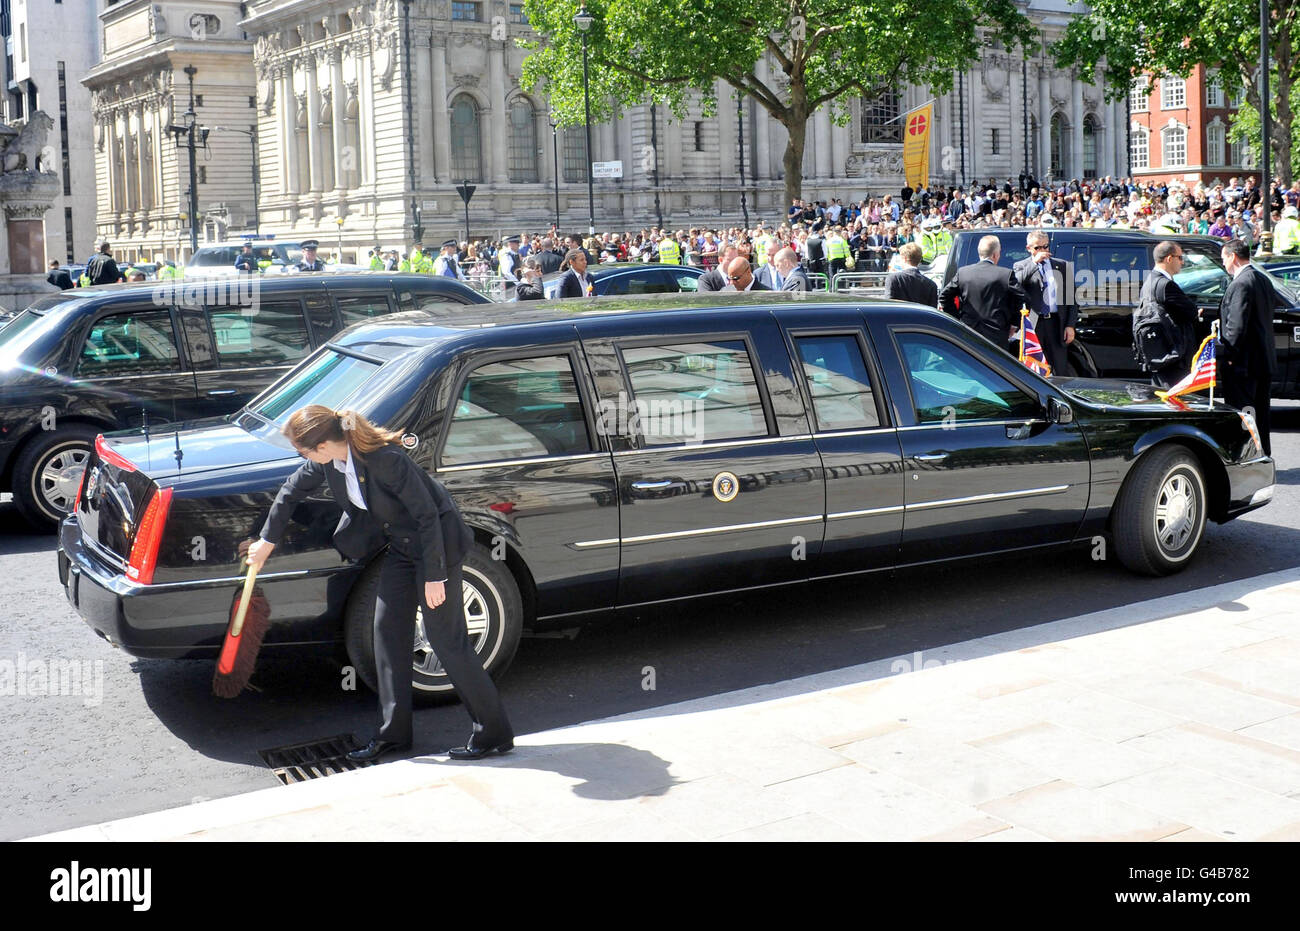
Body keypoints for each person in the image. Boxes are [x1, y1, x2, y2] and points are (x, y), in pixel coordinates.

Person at [246, 406, 514, 762]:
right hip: (402, 546)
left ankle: (493, 732)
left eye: (304, 450)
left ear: (323, 444)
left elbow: (427, 516)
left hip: (436, 547)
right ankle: (395, 735)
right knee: (386, 632)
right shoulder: (330, 462)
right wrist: (267, 541)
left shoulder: (386, 460)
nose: (302, 457)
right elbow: (290, 492)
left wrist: (435, 576)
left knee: (446, 640)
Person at [1218, 238, 1276, 454]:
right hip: (1262, 360)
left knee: (1244, 413)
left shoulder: (1241, 283)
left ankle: (1248, 456)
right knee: (1261, 412)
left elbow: (1237, 325)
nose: (1223, 263)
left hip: (1244, 364)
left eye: (1224, 258)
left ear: (1233, 256)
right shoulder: (1262, 279)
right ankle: (1262, 454)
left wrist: (1229, 355)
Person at [939, 235, 1024, 351]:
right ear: (995, 255)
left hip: (968, 331)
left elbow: (944, 296)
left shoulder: (963, 272)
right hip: (997, 334)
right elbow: (1021, 297)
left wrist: (957, 318)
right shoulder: (1005, 274)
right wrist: (1014, 323)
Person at [1012, 230, 1078, 375]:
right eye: (1037, 248)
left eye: (1045, 247)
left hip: (1056, 322)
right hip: (1035, 322)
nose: (1042, 251)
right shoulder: (1021, 266)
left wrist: (1070, 325)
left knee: (1059, 365)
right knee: (1033, 366)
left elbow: (1071, 298)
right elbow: (1016, 284)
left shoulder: (1061, 265)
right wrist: (1035, 263)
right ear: (1029, 248)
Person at [1135, 241, 1199, 389]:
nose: (1182, 262)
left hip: (1160, 353)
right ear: (1169, 259)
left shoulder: (1150, 280)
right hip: (1173, 355)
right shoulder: (1165, 285)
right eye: (1180, 258)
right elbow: (1190, 311)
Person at [885, 242, 939, 307]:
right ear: (919, 259)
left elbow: (889, 306)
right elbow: (933, 312)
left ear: (904, 259)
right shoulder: (931, 285)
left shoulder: (893, 279)